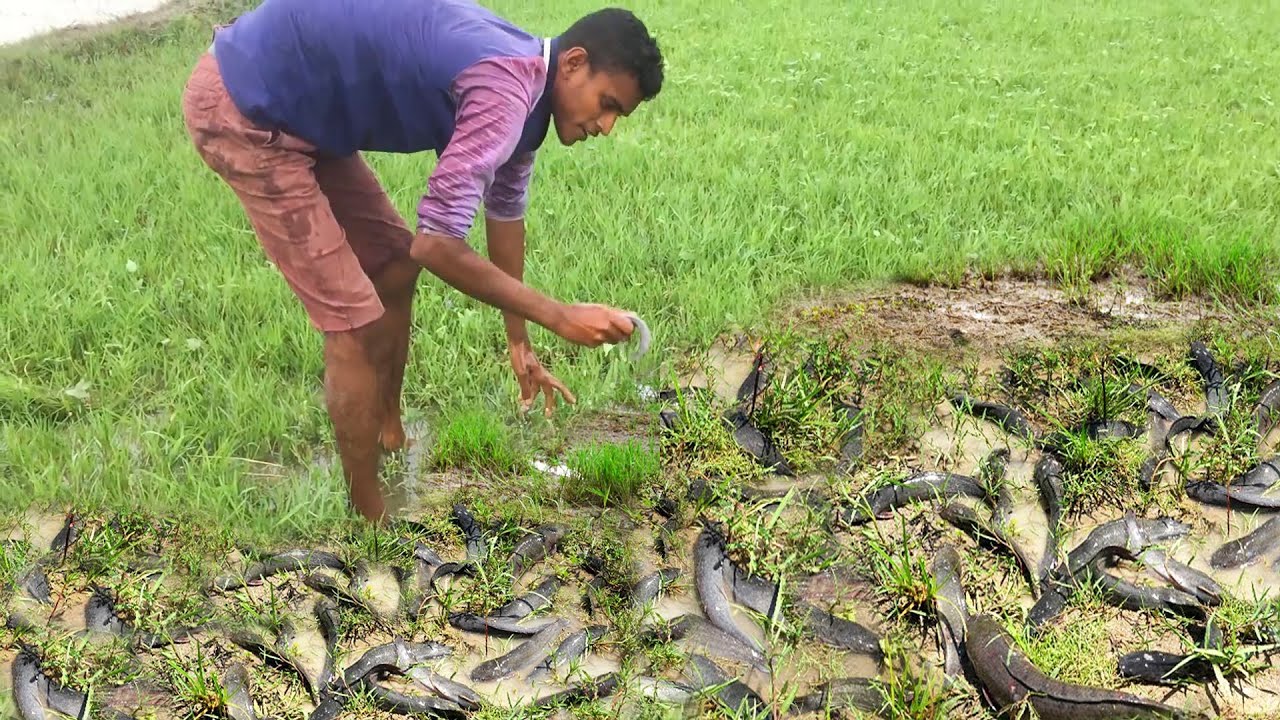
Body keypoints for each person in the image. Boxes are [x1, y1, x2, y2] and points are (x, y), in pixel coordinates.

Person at [179, 0, 665, 523]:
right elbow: (435, 243)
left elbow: (503, 216)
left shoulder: (530, 95)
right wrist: (561, 315)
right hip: (247, 104)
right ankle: (372, 520)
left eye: (620, 114)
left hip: (303, 105)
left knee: (391, 263)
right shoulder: (505, 86)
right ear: (572, 64)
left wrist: (519, 339)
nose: (608, 125)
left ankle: (388, 430)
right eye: (608, 102)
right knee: (353, 322)